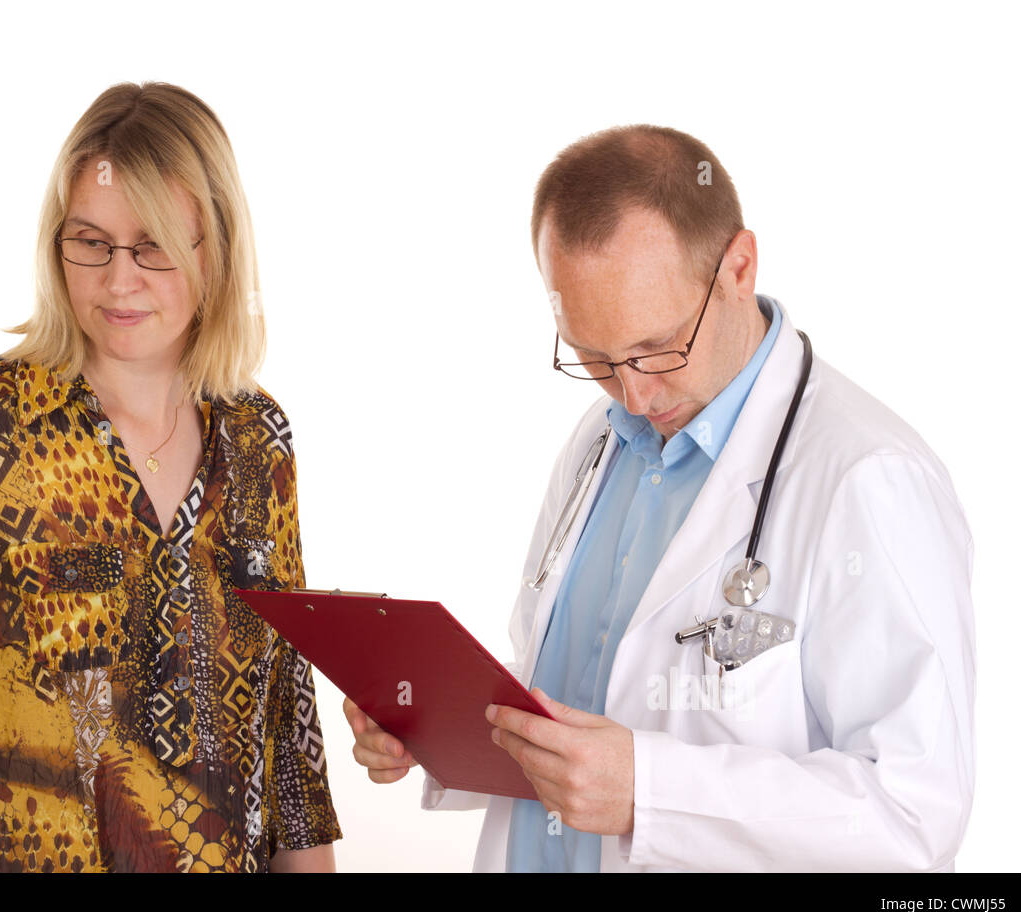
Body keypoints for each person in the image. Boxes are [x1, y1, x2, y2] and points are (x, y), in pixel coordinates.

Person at [344, 124, 975, 872]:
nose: (636, 394)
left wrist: (653, 791)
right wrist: (434, 727)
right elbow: (576, 702)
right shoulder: (599, 441)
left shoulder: (867, 476)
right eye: (595, 358)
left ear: (738, 267)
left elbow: (911, 814)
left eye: (660, 347)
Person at [0, 81, 341, 873]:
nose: (119, 280)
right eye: (91, 242)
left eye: (154, 247)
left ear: (215, 248)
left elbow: (287, 737)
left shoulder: (257, 438)